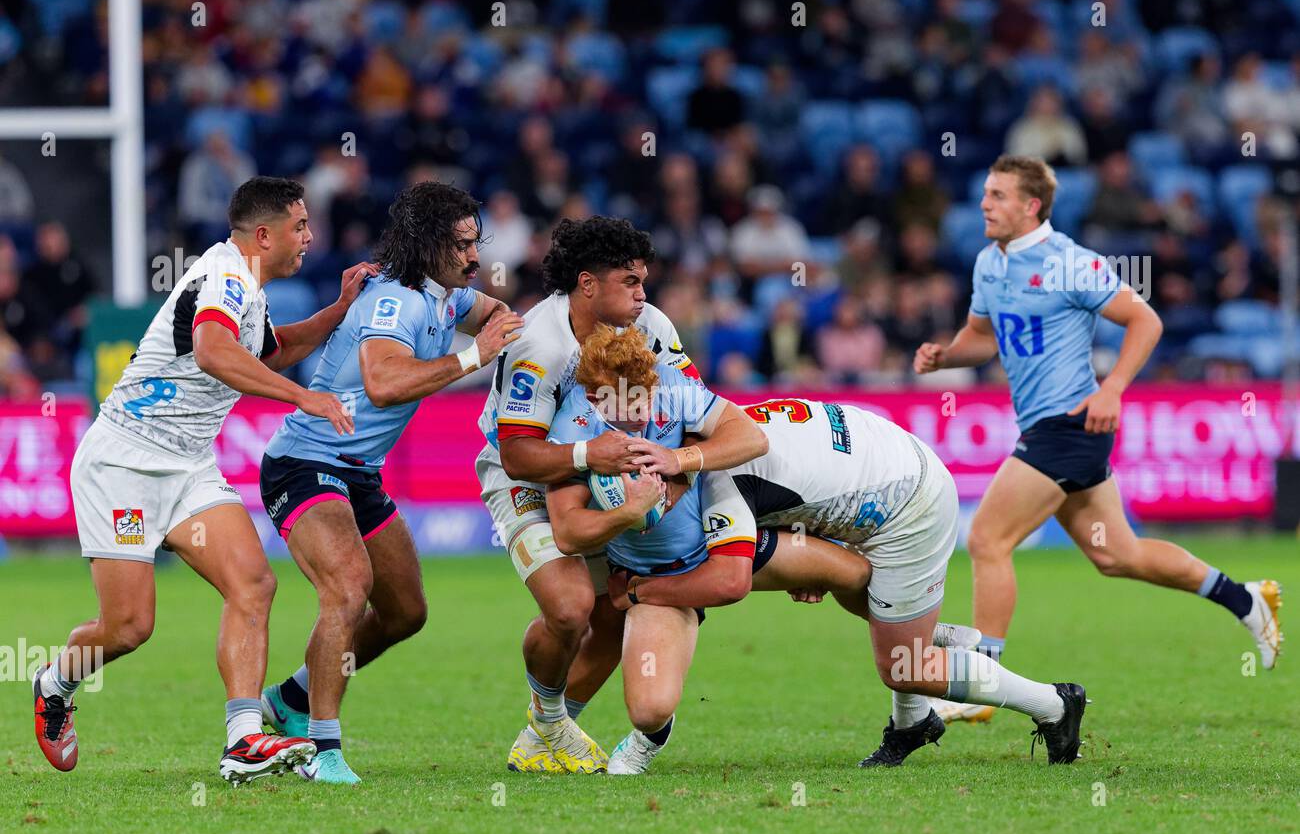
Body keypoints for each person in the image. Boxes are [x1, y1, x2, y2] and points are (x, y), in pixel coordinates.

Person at [550, 327, 1089, 772]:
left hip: (906, 501)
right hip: (871, 464)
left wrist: (639, 589)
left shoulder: (719, 477)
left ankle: (1053, 703)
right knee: (875, 611)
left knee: (904, 664)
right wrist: (803, 547)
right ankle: (913, 723)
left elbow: (729, 582)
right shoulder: (707, 420)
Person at [913, 155, 1282, 723]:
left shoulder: (1069, 263)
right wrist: (946, 355)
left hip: (1071, 426)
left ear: (1031, 205)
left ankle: (983, 684)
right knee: (1117, 554)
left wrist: (1111, 389)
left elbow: (1146, 321)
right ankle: (1246, 598)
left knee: (987, 539)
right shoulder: (989, 262)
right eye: (985, 193)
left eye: (997, 195)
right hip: (1048, 429)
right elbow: (981, 339)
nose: (983, 204)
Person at [35, 176, 364, 784]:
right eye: (300, 226)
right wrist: (305, 398)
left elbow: (267, 351)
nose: (310, 237)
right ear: (264, 235)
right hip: (124, 465)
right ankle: (54, 683)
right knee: (130, 627)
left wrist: (338, 312)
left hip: (187, 468)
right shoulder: (225, 279)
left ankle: (243, 740)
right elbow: (214, 351)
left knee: (254, 584)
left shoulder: (247, 286)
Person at [473, 216, 766, 774]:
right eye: (629, 281)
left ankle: (543, 738)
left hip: (608, 465)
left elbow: (689, 409)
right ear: (587, 284)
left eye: (644, 281)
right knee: (570, 608)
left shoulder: (652, 325)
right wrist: (591, 457)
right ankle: (553, 723)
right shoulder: (539, 343)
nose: (642, 294)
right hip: (525, 475)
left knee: (616, 603)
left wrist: (675, 475)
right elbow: (518, 456)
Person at [258, 181, 521, 784]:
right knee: (349, 591)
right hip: (305, 462)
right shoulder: (395, 300)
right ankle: (321, 751)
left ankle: (292, 699)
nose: (474, 257)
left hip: (357, 471)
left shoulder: (446, 296)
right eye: (462, 245)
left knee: (404, 611)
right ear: (430, 245)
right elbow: (382, 382)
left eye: (476, 242)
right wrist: (475, 357)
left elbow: (503, 318)